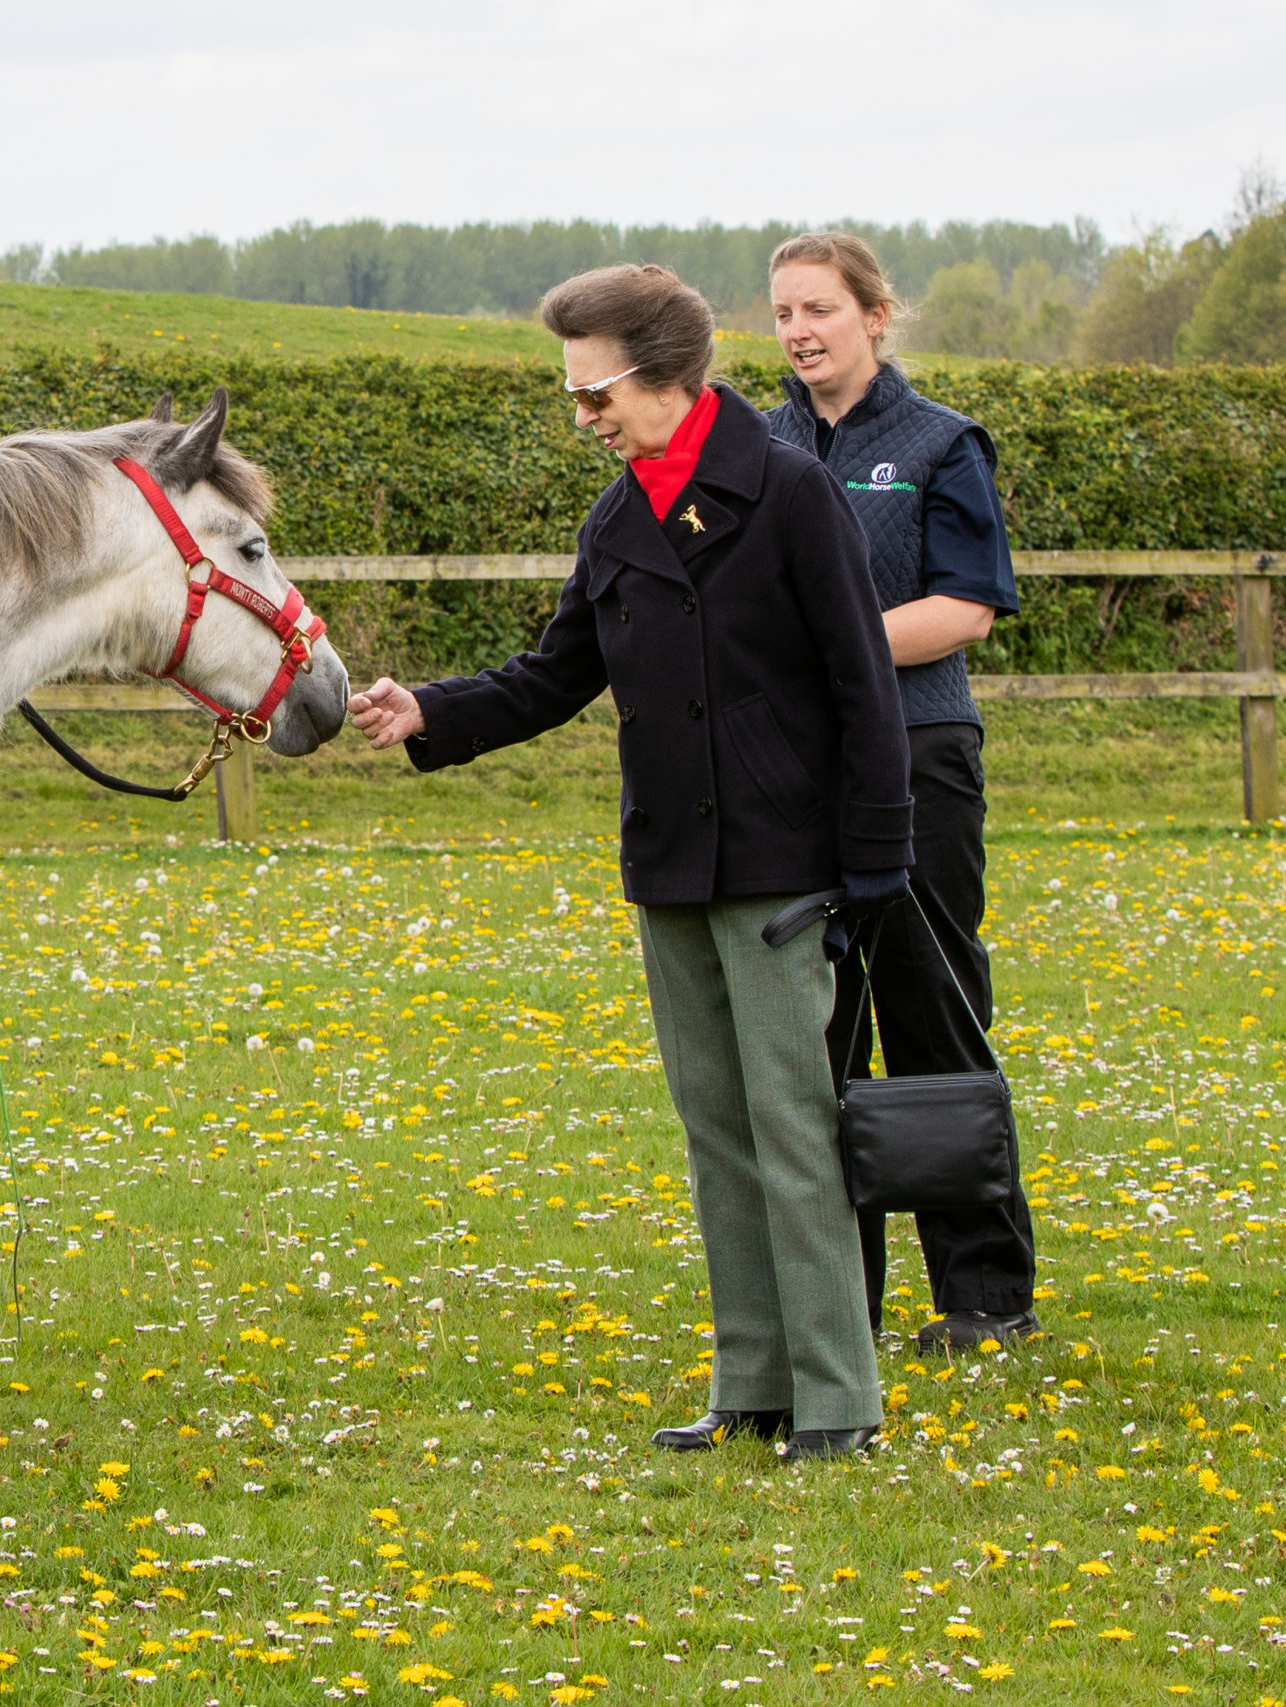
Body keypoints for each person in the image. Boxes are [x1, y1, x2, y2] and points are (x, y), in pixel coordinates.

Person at [349, 265, 912, 1461]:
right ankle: (753, 1382)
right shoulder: (614, 522)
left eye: (592, 393)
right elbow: (555, 675)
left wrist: (873, 860)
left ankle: (838, 1402)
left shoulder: (792, 492)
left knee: (795, 1129)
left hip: (783, 868)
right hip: (672, 873)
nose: (583, 417)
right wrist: (426, 713)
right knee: (719, 1133)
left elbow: (866, 688)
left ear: (662, 375)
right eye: (574, 397)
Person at [764, 234, 1036, 1356]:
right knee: (812, 1034)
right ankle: (839, 1304)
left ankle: (982, 1297)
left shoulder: (939, 445)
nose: (798, 331)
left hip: (918, 753)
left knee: (933, 1017)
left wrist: (831, 645)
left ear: (876, 316)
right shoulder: (758, 444)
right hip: (792, 767)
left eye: (818, 308)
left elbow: (965, 608)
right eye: (780, 313)